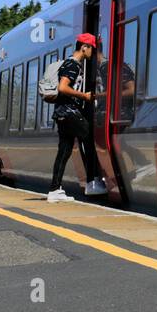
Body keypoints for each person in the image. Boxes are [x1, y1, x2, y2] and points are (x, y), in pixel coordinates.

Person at [48, 33, 108, 202]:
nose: (93, 53)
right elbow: (63, 87)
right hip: (69, 112)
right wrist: (84, 96)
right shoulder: (73, 65)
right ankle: (93, 182)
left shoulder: (68, 63)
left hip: (61, 112)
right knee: (88, 140)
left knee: (64, 150)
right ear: (84, 47)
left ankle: (55, 190)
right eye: (92, 49)